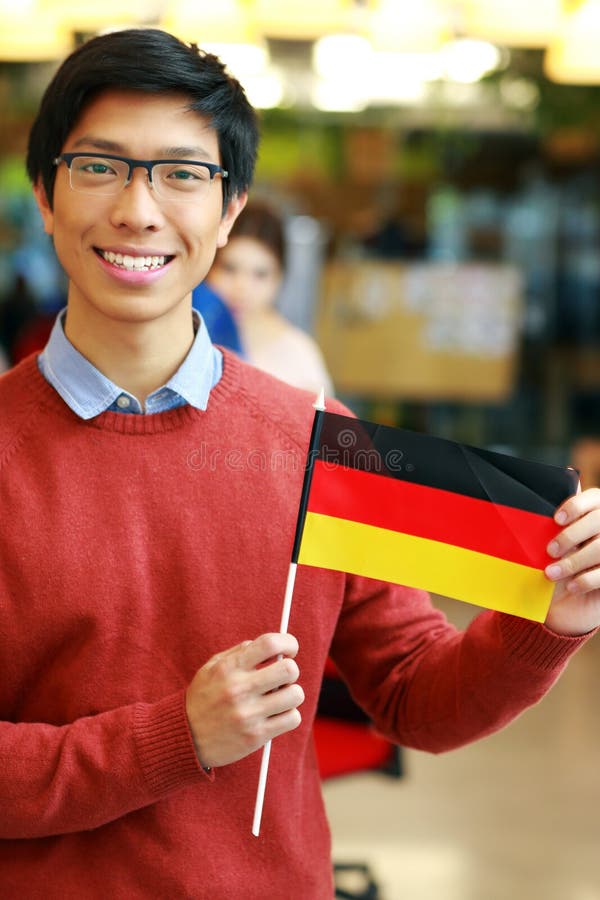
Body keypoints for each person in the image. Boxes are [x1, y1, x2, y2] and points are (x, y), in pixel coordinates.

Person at [1, 28, 599, 899]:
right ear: (46, 197)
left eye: (182, 172)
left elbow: (413, 697)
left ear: (231, 208)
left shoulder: (321, 439)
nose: (138, 208)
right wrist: (177, 738)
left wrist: (553, 621)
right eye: (100, 166)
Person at [207, 200, 334, 394]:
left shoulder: (300, 355)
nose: (242, 287)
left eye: (260, 274)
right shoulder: (183, 339)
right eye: (229, 268)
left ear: (279, 278)